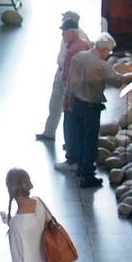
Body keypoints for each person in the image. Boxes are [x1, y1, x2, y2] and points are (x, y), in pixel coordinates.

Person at [65, 33, 132, 189]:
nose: (109, 54)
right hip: (91, 107)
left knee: (80, 138)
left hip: (76, 104)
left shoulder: (79, 57)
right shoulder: (101, 65)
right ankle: (87, 175)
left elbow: (70, 79)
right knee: (90, 142)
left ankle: (79, 170)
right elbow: (118, 80)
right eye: (108, 51)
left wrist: (67, 97)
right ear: (104, 50)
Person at [35, 9, 89, 143]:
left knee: (69, 111)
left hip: (70, 77)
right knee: (54, 104)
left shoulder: (80, 38)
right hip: (60, 71)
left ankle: (71, 142)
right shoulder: (67, 34)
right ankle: (49, 132)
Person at [54, 27, 90, 172]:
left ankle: (73, 159)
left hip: (74, 93)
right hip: (81, 93)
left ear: (72, 32)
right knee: (78, 125)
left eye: (64, 31)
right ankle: (79, 157)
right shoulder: (83, 44)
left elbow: (73, 75)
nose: (62, 34)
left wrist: (67, 96)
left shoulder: (75, 49)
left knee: (71, 125)